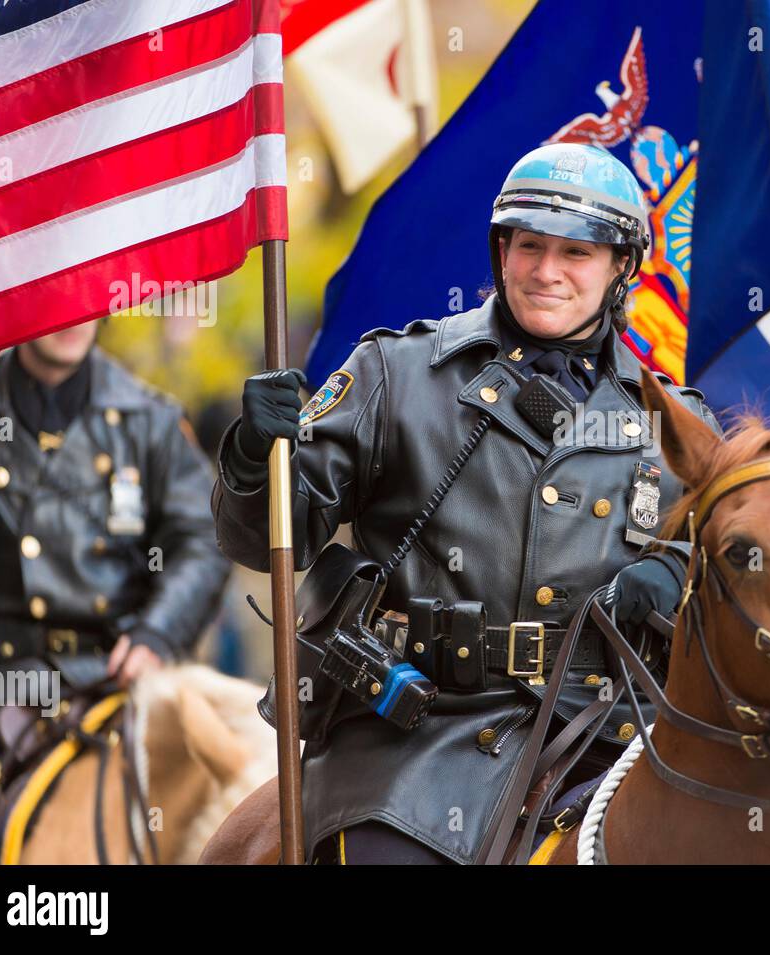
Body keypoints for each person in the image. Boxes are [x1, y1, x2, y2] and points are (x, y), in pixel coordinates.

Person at [211, 143, 720, 864]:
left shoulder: (674, 418)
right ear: (501, 250)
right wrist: (251, 456)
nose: (546, 272)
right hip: (414, 739)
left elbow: (736, 567)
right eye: (530, 246)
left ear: (619, 270)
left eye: (576, 252)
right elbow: (268, 537)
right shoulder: (397, 371)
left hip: (599, 735)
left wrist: (678, 568)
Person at [0, 320, 230, 860]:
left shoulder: (149, 418)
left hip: (118, 675)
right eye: (58, 298)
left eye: (89, 300)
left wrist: (159, 632)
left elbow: (203, 537)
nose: (73, 320)